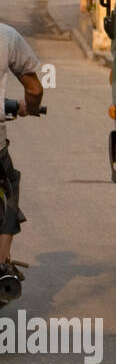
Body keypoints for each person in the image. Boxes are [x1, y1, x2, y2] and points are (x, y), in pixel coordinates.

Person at [1, 22, 43, 293]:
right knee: (8, 187)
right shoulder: (6, 35)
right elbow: (35, 89)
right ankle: (2, 263)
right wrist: (32, 107)